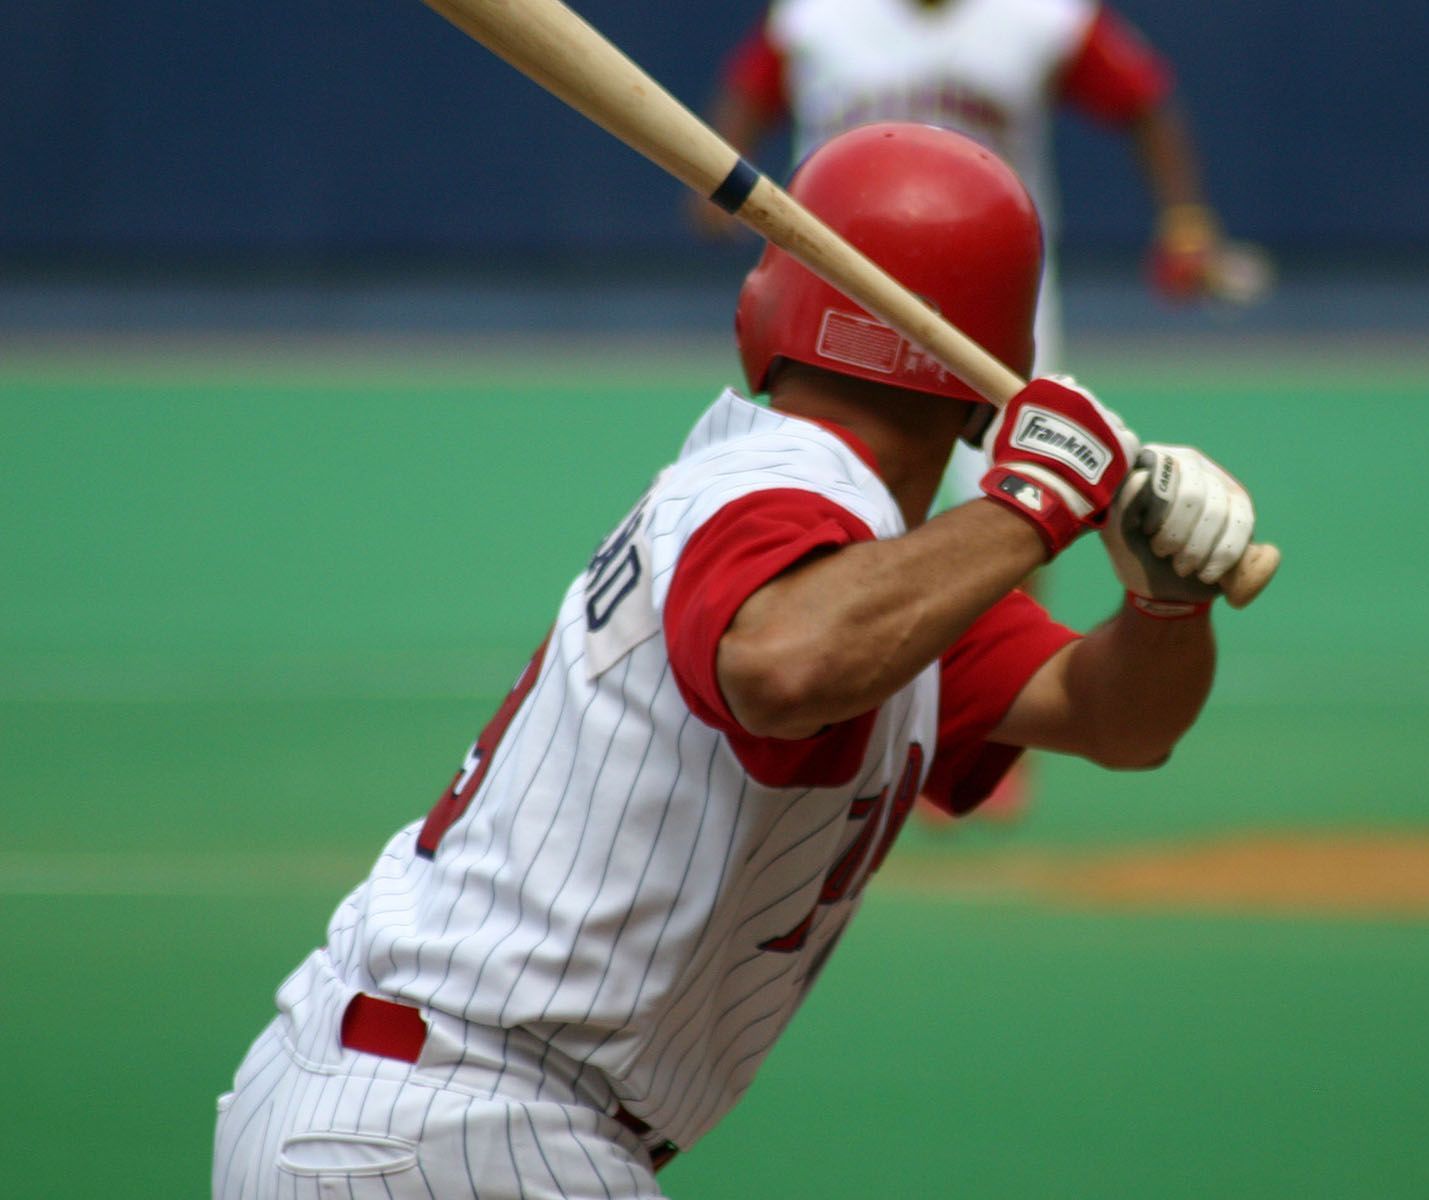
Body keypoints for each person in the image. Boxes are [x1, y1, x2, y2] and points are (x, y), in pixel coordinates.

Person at [212, 123, 1260, 1199]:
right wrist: (1031, 502)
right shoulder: (774, 487)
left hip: (428, 1117)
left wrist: (1163, 604)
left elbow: (1116, 720)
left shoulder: (879, 573)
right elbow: (785, 665)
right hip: (452, 1121)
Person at [691, 0, 1271, 818]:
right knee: (940, 499)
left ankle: (988, 732)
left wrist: (1165, 609)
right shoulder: (816, 15)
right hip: (830, 305)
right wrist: (1049, 501)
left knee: (986, 499)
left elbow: (1144, 100)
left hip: (985, 305)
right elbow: (779, 672)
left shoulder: (1043, 16)